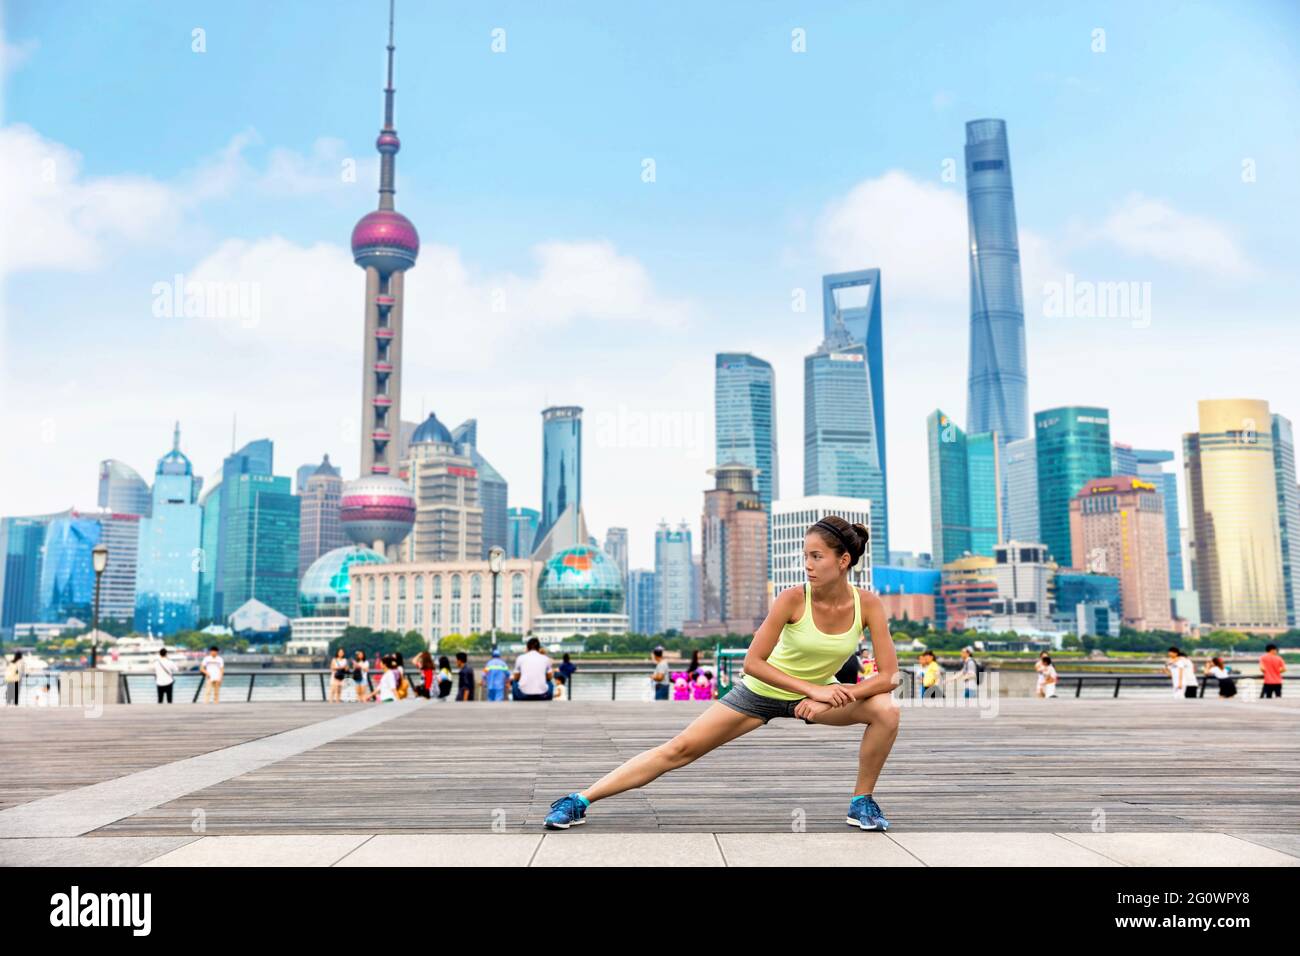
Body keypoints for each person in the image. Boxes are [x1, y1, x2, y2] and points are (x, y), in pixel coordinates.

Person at [542, 514, 900, 832]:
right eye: (805, 555)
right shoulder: (792, 599)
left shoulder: (867, 604)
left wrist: (832, 695)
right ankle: (579, 800)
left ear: (843, 560)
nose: (807, 564)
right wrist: (814, 690)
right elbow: (753, 663)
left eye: (816, 556)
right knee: (679, 750)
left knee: (886, 710)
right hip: (760, 692)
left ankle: (861, 801)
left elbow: (889, 676)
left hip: (816, 696)